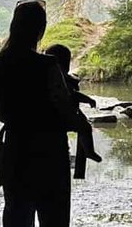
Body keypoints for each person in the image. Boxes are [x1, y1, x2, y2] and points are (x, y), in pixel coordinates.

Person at [0, 1, 91, 227]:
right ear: (39, 28)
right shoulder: (45, 66)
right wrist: (81, 125)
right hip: (47, 151)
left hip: (15, 149)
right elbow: (63, 111)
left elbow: (1, 113)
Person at [43, 43, 103, 178]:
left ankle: (82, 164)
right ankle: (88, 152)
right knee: (85, 128)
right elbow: (71, 95)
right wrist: (88, 99)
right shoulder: (60, 78)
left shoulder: (48, 76)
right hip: (63, 115)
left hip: (63, 112)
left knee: (83, 126)